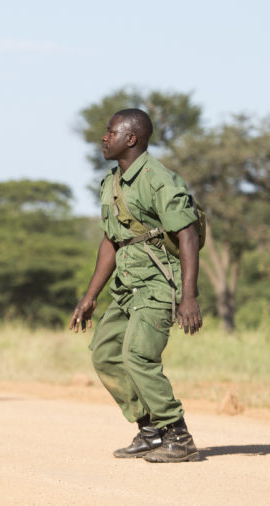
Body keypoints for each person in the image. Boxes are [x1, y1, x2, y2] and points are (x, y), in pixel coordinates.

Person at [69, 108, 202, 463]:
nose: (104, 137)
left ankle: (178, 433)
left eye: (110, 132)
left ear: (131, 139)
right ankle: (150, 430)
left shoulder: (159, 179)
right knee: (105, 354)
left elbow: (187, 235)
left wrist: (188, 297)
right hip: (128, 286)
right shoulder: (112, 182)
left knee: (138, 355)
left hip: (159, 283)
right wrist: (90, 296)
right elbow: (112, 241)